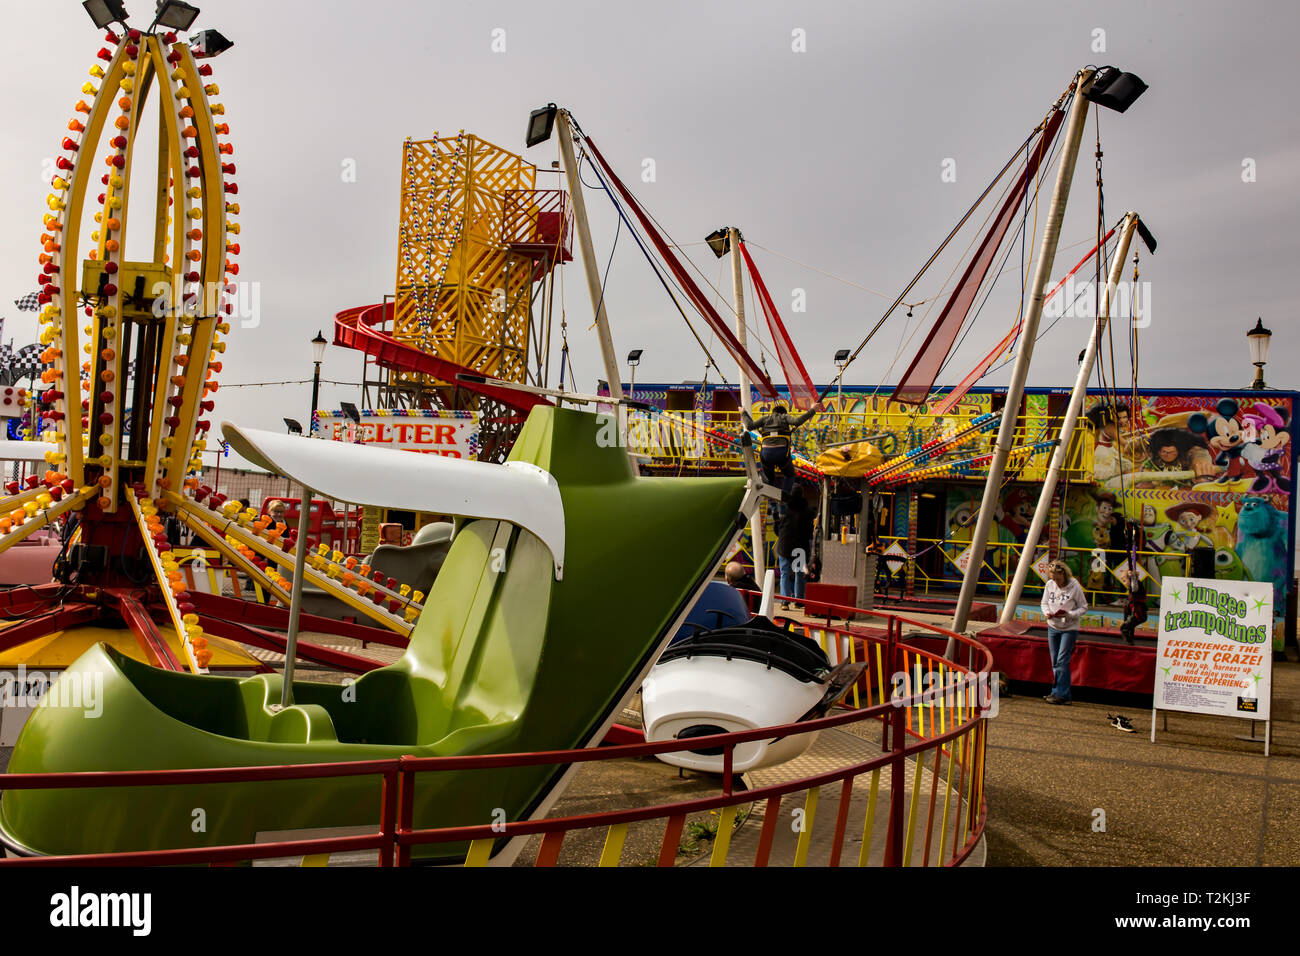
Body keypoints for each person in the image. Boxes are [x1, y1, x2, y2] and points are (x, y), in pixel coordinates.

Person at [741, 403, 820, 499]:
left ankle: (769, 492)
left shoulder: (765, 418)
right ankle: (785, 495)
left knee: (770, 477)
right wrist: (812, 410)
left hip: (766, 455)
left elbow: (749, 425)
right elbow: (797, 421)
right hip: (781, 454)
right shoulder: (784, 417)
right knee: (790, 475)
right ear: (783, 413)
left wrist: (743, 413)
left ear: (773, 412)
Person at [1040, 559, 1087, 704]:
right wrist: (1047, 612)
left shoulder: (1074, 586)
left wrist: (1070, 614)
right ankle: (1057, 692)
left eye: (1058, 579)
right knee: (1055, 661)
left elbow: (1084, 607)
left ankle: (1063, 694)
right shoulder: (1050, 585)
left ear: (1064, 575)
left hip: (1069, 628)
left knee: (1062, 660)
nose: (1056, 582)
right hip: (1053, 626)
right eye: (1053, 578)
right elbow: (1044, 602)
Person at [776, 490, 814, 608]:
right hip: (800, 546)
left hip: (785, 545)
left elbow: (777, 528)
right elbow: (809, 532)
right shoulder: (807, 511)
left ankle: (784, 601)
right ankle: (799, 601)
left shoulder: (784, 509)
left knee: (784, 574)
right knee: (799, 574)